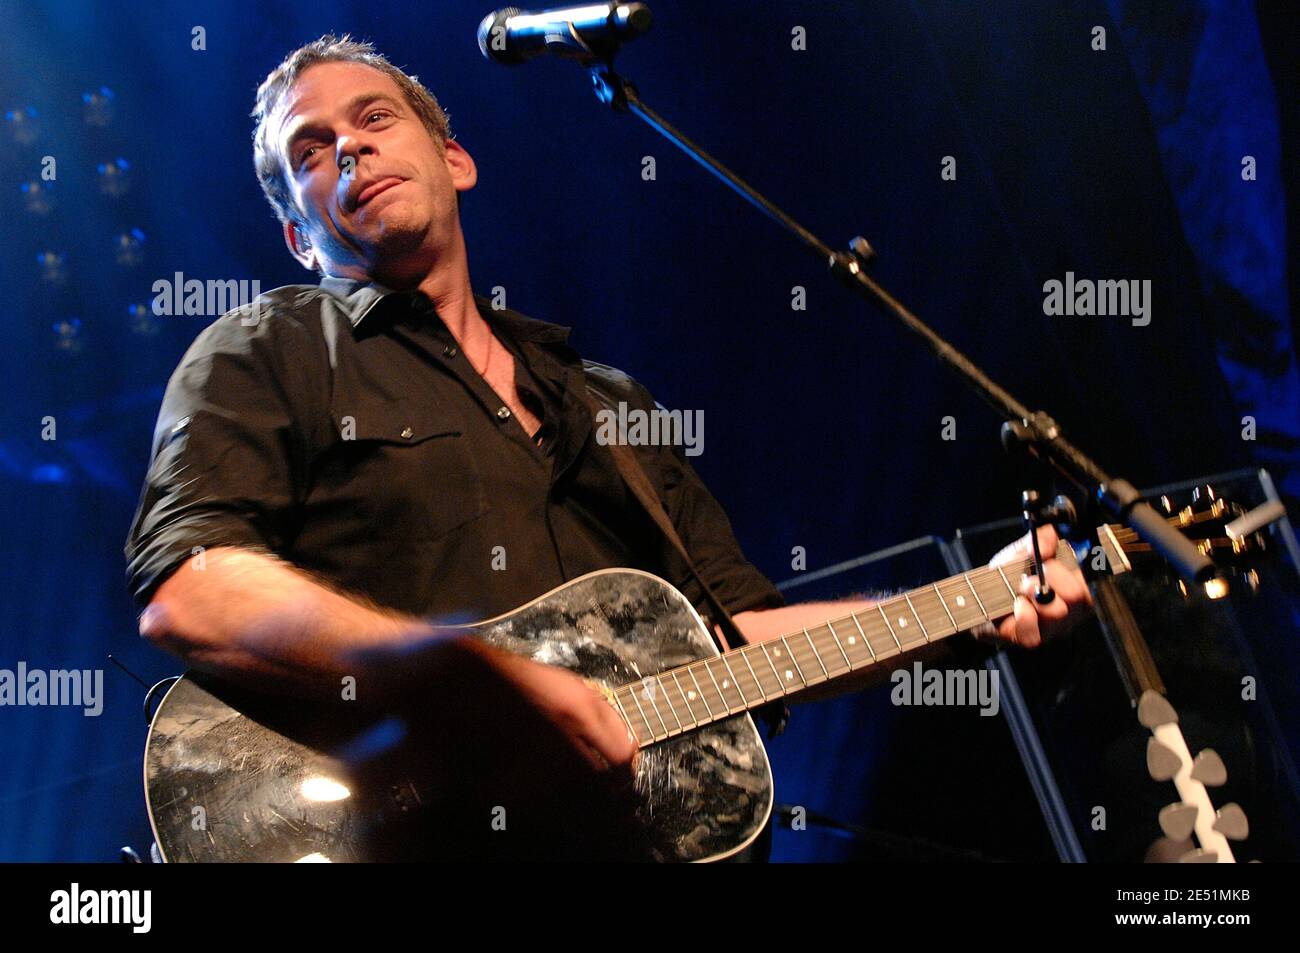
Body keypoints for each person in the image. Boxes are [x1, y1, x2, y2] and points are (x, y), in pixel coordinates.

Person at [125, 34, 1091, 858]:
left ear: (454, 158)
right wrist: (478, 683)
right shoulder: (271, 349)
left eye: (374, 118)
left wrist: (967, 603)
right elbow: (194, 589)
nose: (348, 149)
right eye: (311, 149)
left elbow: (733, 642)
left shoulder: (611, 404)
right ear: (300, 234)